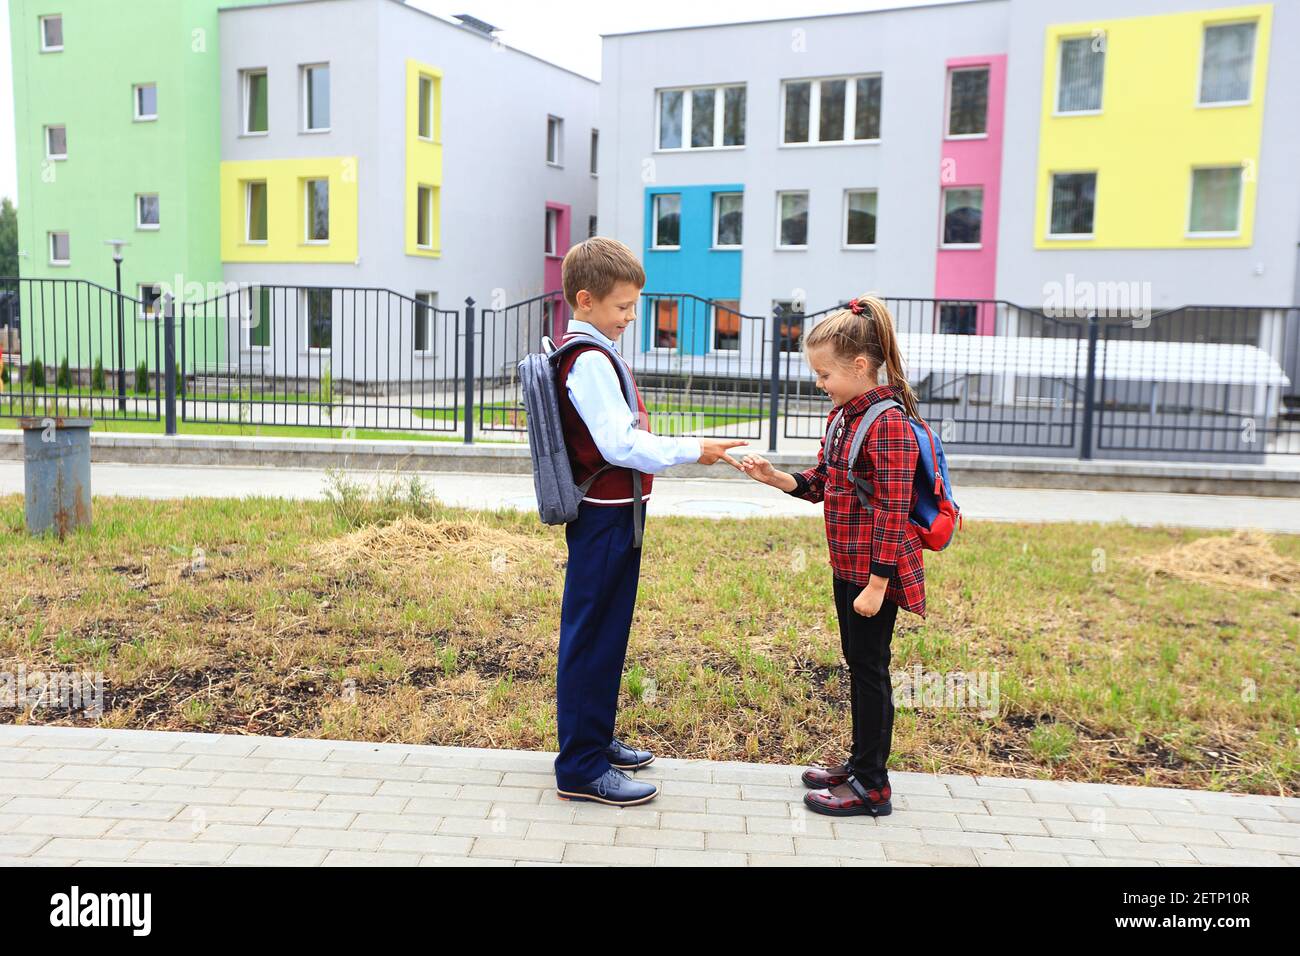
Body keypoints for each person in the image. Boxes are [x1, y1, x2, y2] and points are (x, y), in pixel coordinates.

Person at [553, 236, 748, 806]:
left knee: (605, 636)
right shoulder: (587, 360)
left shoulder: (591, 350)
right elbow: (619, 444)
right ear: (585, 300)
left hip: (616, 517)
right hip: (605, 520)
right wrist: (695, 449)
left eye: (635, 307)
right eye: (622, 308)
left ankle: (594, 742)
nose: (631, 318)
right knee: (591, 638)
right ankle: (581, 768)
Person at [739, 293, 925, 816]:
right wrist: (776, 477)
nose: (819, 384)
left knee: (871, 670)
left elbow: (893, 511)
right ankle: (861, 761)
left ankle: (873, 786)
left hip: (876, 572)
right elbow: (823, 481)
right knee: (859, 664)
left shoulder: (887, 424)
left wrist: (878, 584)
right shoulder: (844, 417)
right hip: (849, 565)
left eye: (825, 374)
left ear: (860, 366)